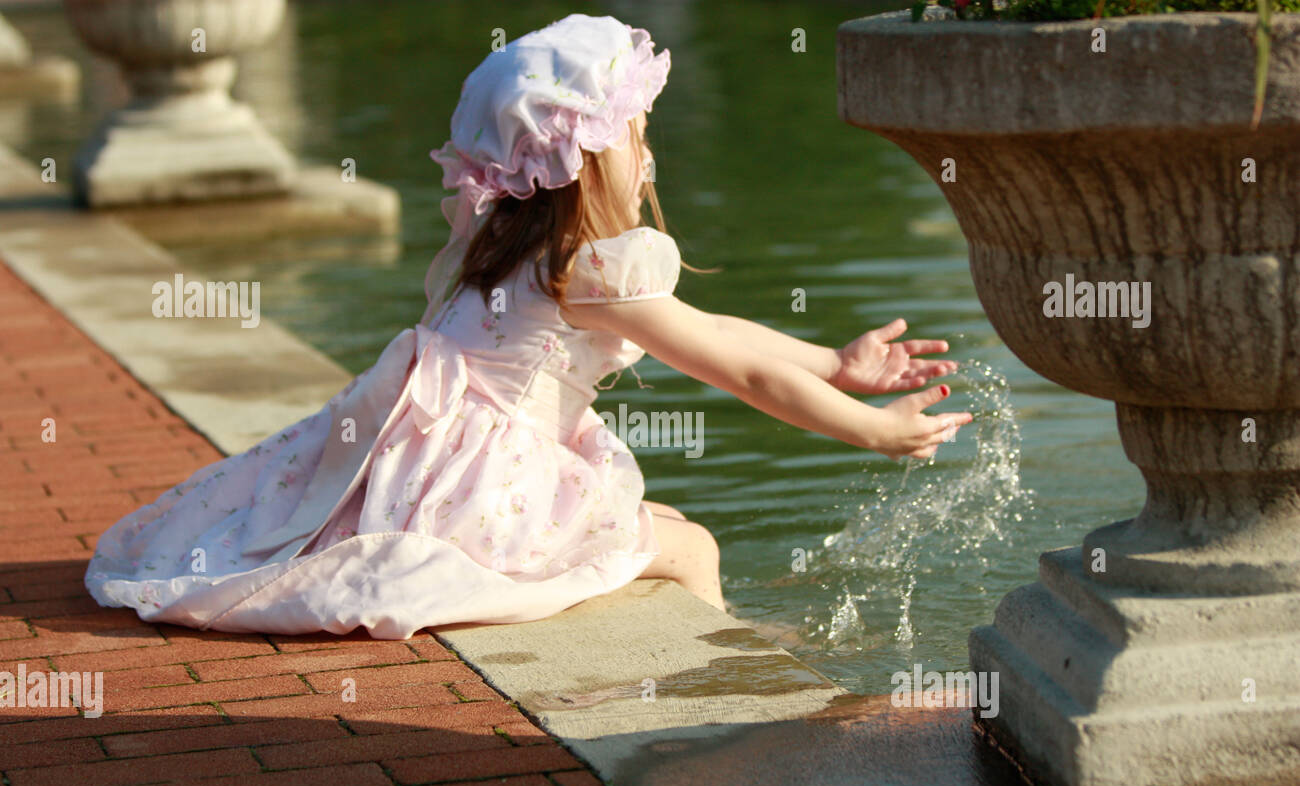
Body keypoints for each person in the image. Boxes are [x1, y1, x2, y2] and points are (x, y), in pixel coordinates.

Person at [85, 13, 971, 640]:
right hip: (479, 479)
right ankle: (732, 660)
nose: (650, 152)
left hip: (432, 459)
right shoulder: (586, 270)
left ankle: (739, 639)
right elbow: (736, 372)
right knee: (689, 546)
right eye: (636, 132)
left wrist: (835, 358)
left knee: (651, 534)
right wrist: (872, 429)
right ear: (579, 159)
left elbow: (718, 330)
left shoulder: (516, 249)